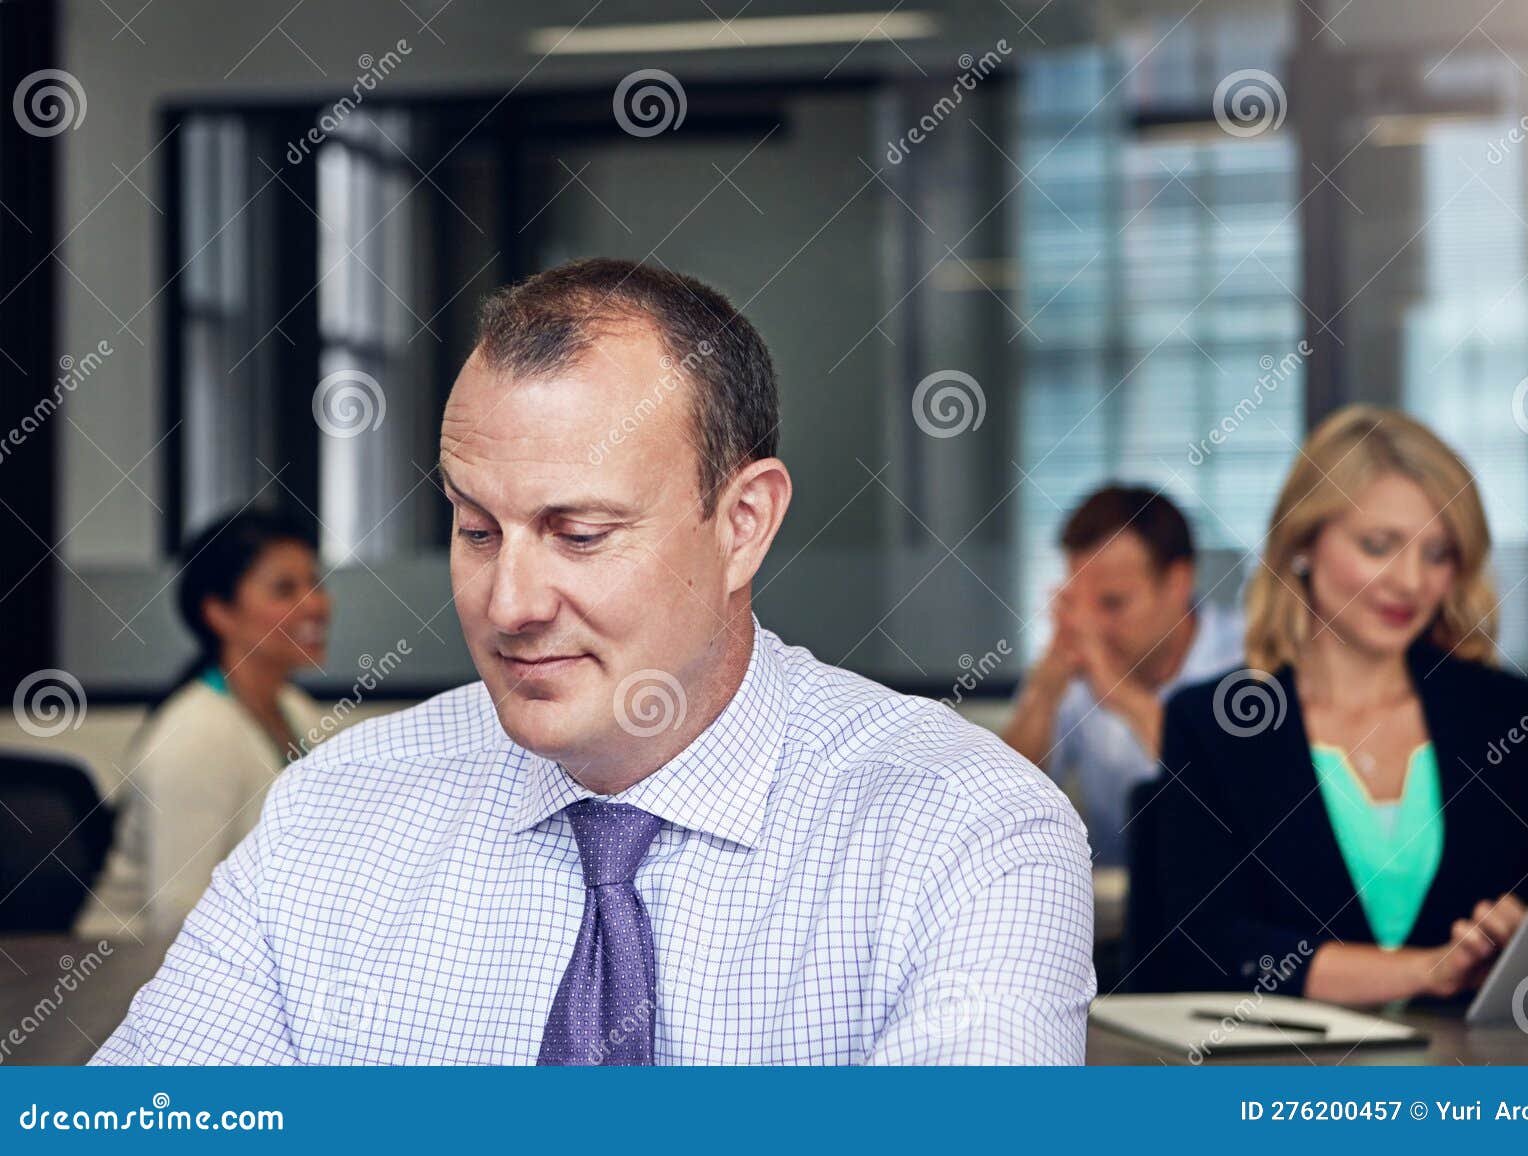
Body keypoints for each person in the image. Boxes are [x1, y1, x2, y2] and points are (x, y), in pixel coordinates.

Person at [92, 258, 1095, 1065]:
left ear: (742, 524)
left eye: (578, 533)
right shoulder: (331, 813)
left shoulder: (966, 829)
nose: (511, 604)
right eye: (477, 530)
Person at [1150, 406, 1528, 1003]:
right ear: (1303, 543)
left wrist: (1519, 932)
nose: (1410, 582)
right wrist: (1424, 970)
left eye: (1438, 554)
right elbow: (1210, 946)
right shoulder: (1216, 724)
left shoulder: (1510, 715)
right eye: (1379, 545)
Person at [80, 509, 331, 941]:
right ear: (219, 613)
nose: (316, 605)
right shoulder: (195, 735)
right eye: (285, 589)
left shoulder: (295, 709)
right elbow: (178, 917)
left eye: (316, 583)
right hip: (130, 978)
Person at [1002, 486, 1242, 865]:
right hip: (1117, 913)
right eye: (1078, 603)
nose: (1092, 625)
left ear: (1179, 583)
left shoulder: (1250, 662)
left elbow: (1232, 802)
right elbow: (1000, 800)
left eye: (1113, 603)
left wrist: (1123, 696)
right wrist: (1043, 693)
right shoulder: (1077, 667)